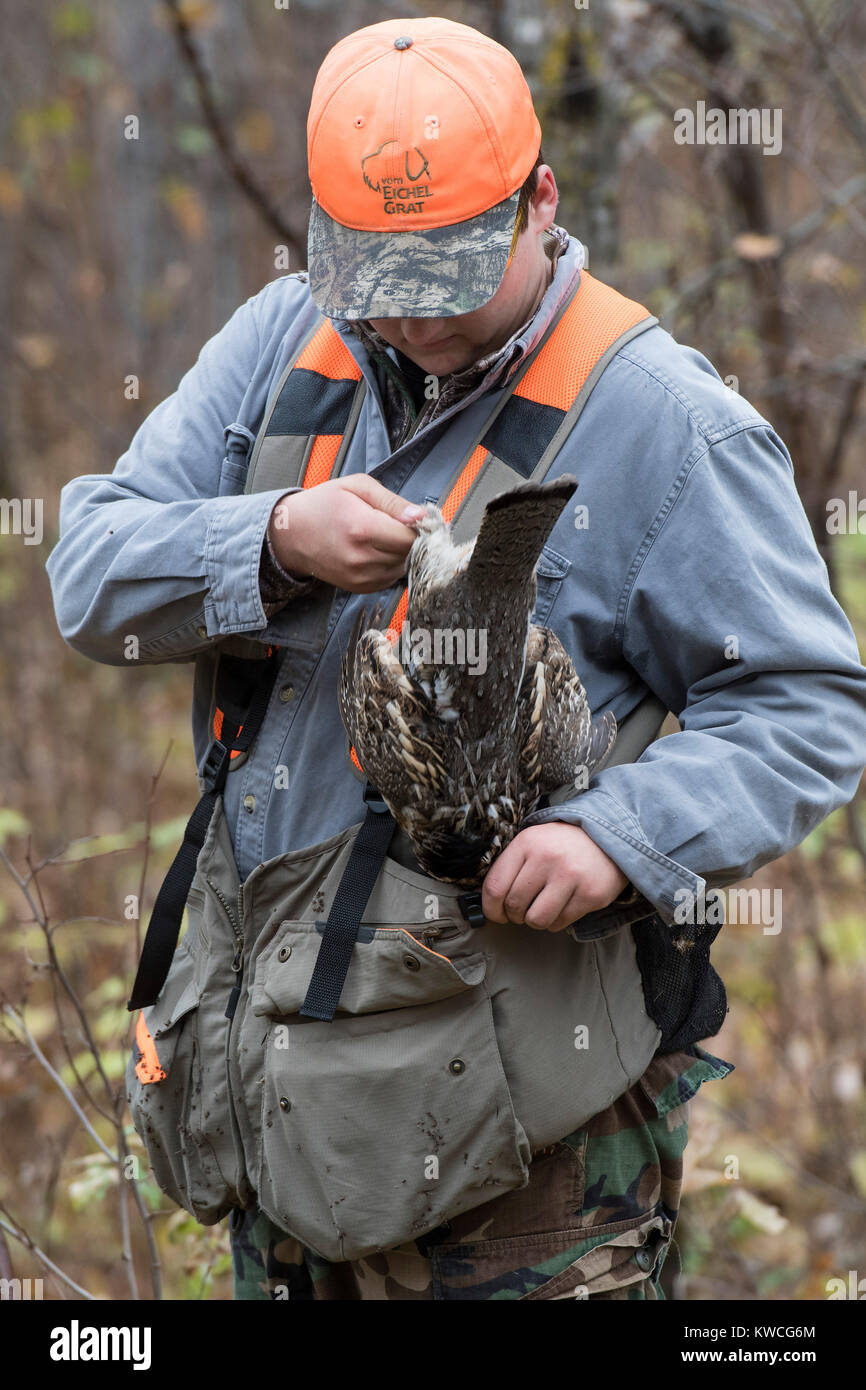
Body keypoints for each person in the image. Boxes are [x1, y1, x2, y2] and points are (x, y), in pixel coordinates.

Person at [46, 16, 866, 1302]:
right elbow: (90, 580)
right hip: (271, 1110)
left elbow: (803, 705)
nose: (414, 320)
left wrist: (619, 835)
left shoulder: (667, 425)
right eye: (379, 275)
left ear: (539, 200)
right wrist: (270, 541)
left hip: (524, 1166)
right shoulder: (279, 348)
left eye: (449, 272)